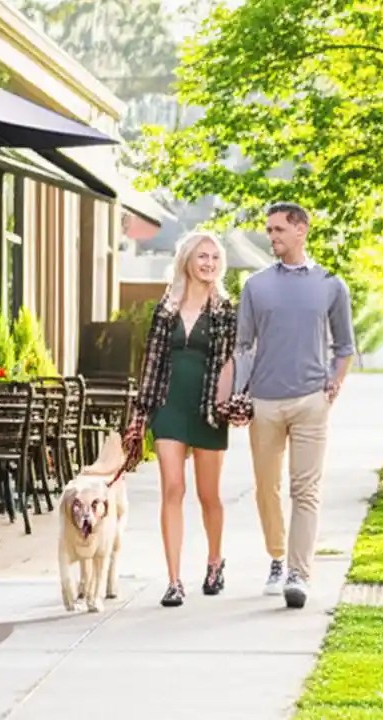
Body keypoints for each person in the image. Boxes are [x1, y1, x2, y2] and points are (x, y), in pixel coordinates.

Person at [232, 202, 355, 609]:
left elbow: (345, 345)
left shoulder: (331, 284)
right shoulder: (256, 286)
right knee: (266, 488)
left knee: (306, 491)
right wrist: (237, 393)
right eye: (269, 230)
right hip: (265, 403)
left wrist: (334, 383)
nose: (272, 236)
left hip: (310, 404)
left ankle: (299, 574)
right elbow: (244, 346)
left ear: (301, 230)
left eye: (279, 229)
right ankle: (276, 556)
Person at [125, 231, 237, 607]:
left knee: (209, 496)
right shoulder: (166, 308)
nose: (208, 263)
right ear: (187, 260)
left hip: (207, 409)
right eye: (202, 256)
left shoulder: (225, 311)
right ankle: (174, 581)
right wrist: (140, 415)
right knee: (172, 489)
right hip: (168, 405)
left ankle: (214, 561)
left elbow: (232, 364)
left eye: (214, 258)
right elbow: (151, 364)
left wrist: (234, 404)